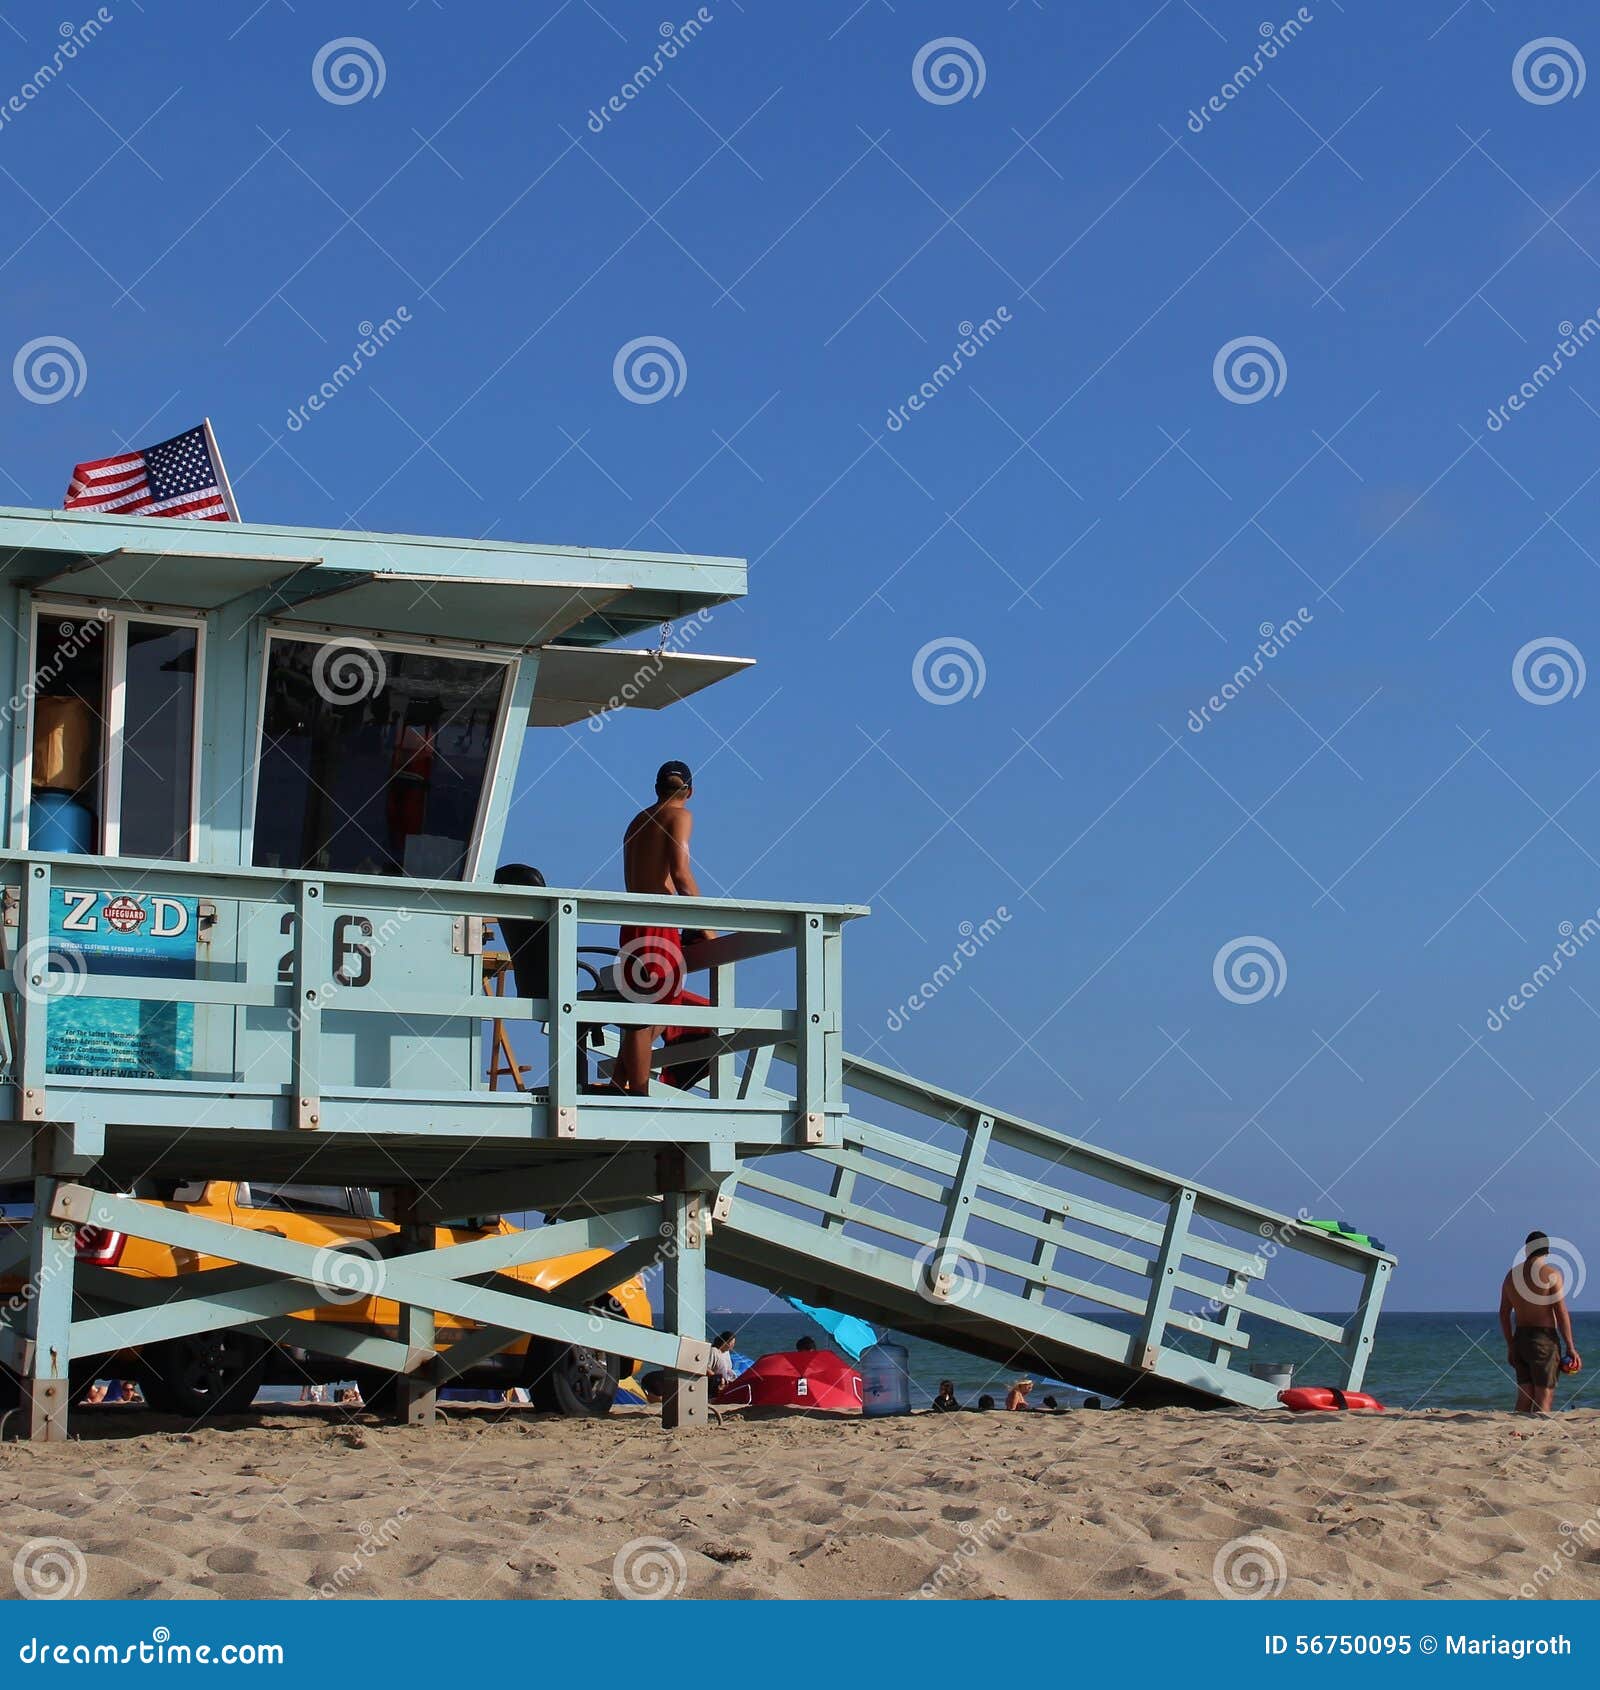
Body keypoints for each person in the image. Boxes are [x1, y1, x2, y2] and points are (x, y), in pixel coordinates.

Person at [617, 761, 713, 1095]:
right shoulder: (679, 816)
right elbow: (681, 874)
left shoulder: (637, 821)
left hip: (633, 925)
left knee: (640, 1010)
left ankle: (621, 1084)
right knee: (648, 1015)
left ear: (656, 788)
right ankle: (639, 1097)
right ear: (690, 791)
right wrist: (707, 926)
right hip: (657, 925)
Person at [1501, 1231, 1582, 1414]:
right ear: (1547, 1251)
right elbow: (1561, 1313)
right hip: (1543, 1341)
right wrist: (1570, 1347)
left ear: (1527, 1250)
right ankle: (1533, 1437)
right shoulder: (1551, 1274)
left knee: (1525, 1395)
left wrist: (1510, 1344)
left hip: (1520, 1338)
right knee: (1543, 1397)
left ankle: (1518, 1433)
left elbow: (1504, 1314)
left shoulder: (1511, 1276)